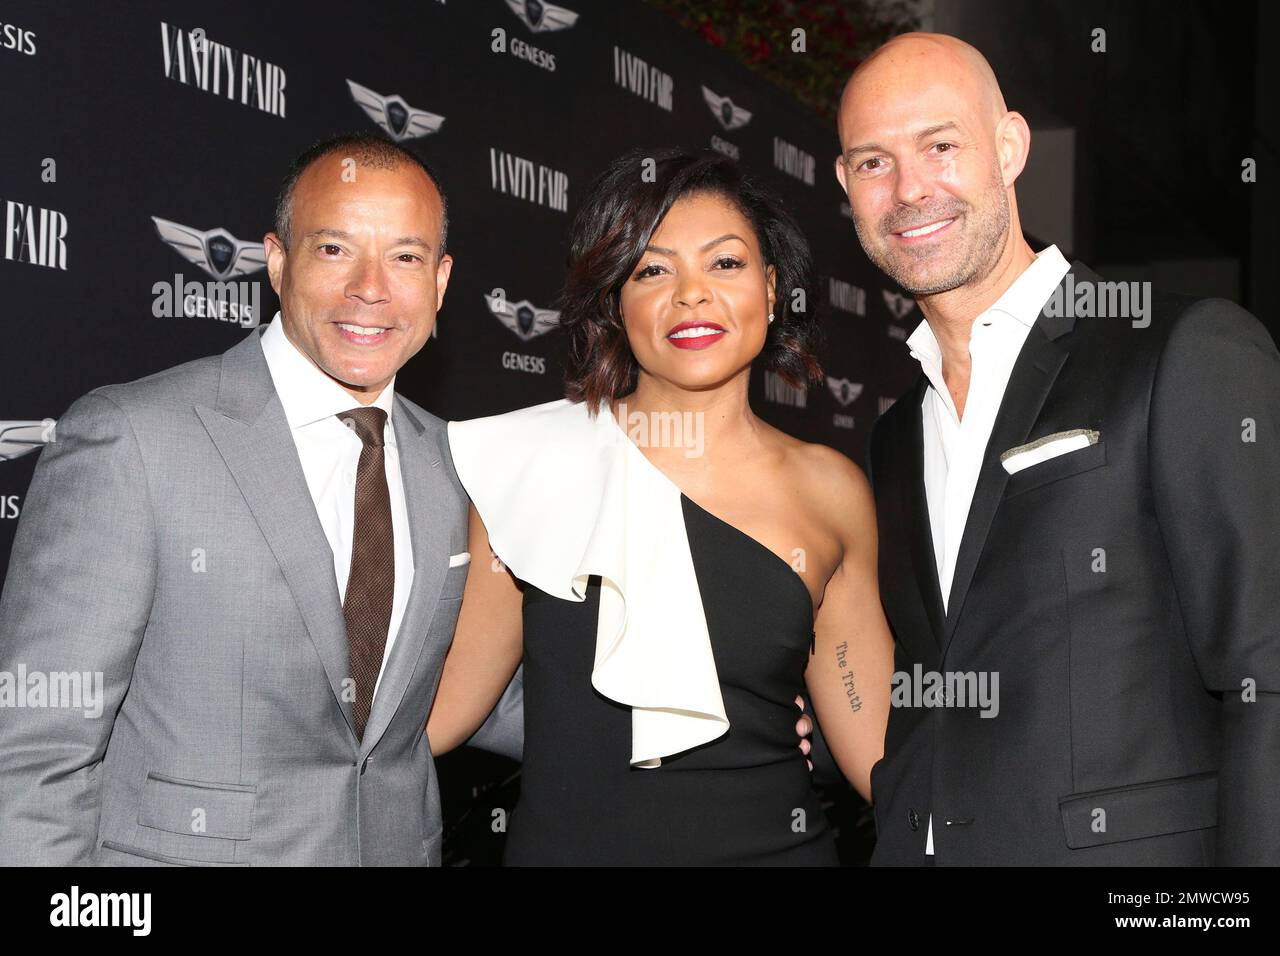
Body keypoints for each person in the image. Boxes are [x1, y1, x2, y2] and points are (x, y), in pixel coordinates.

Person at [835, 33, 1280, 865]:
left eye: (940, 146)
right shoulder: (894, 434)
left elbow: (1274, 677)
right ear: (846, 185)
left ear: (1010, 148)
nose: (909, 189)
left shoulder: (1178, 349)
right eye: (873, 162)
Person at [0, 134, 523, 865]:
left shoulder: (460, 464)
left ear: (439, 282)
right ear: (278, 262)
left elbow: (459, 692)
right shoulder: (135, 437)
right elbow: (37, 748)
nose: (371, 288)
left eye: (404, 257)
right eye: (335, 250)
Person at [426, 149, 895, 865]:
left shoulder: (830, 490)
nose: (691, 295)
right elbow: (438, 714)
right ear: (616, 301)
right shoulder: (533, 462)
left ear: (771, 289)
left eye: (725, 264)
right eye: (652, 270)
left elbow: (876, 748)